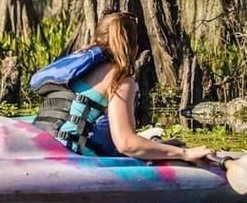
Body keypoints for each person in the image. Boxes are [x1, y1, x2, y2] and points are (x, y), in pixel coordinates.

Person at [31, 10, 212, 163]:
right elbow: (126, 143)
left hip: (38, 149)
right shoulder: (119, 79)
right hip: (66, 159)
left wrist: (161, 148)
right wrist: (184, 154)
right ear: (134, 50)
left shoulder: (77, 68)